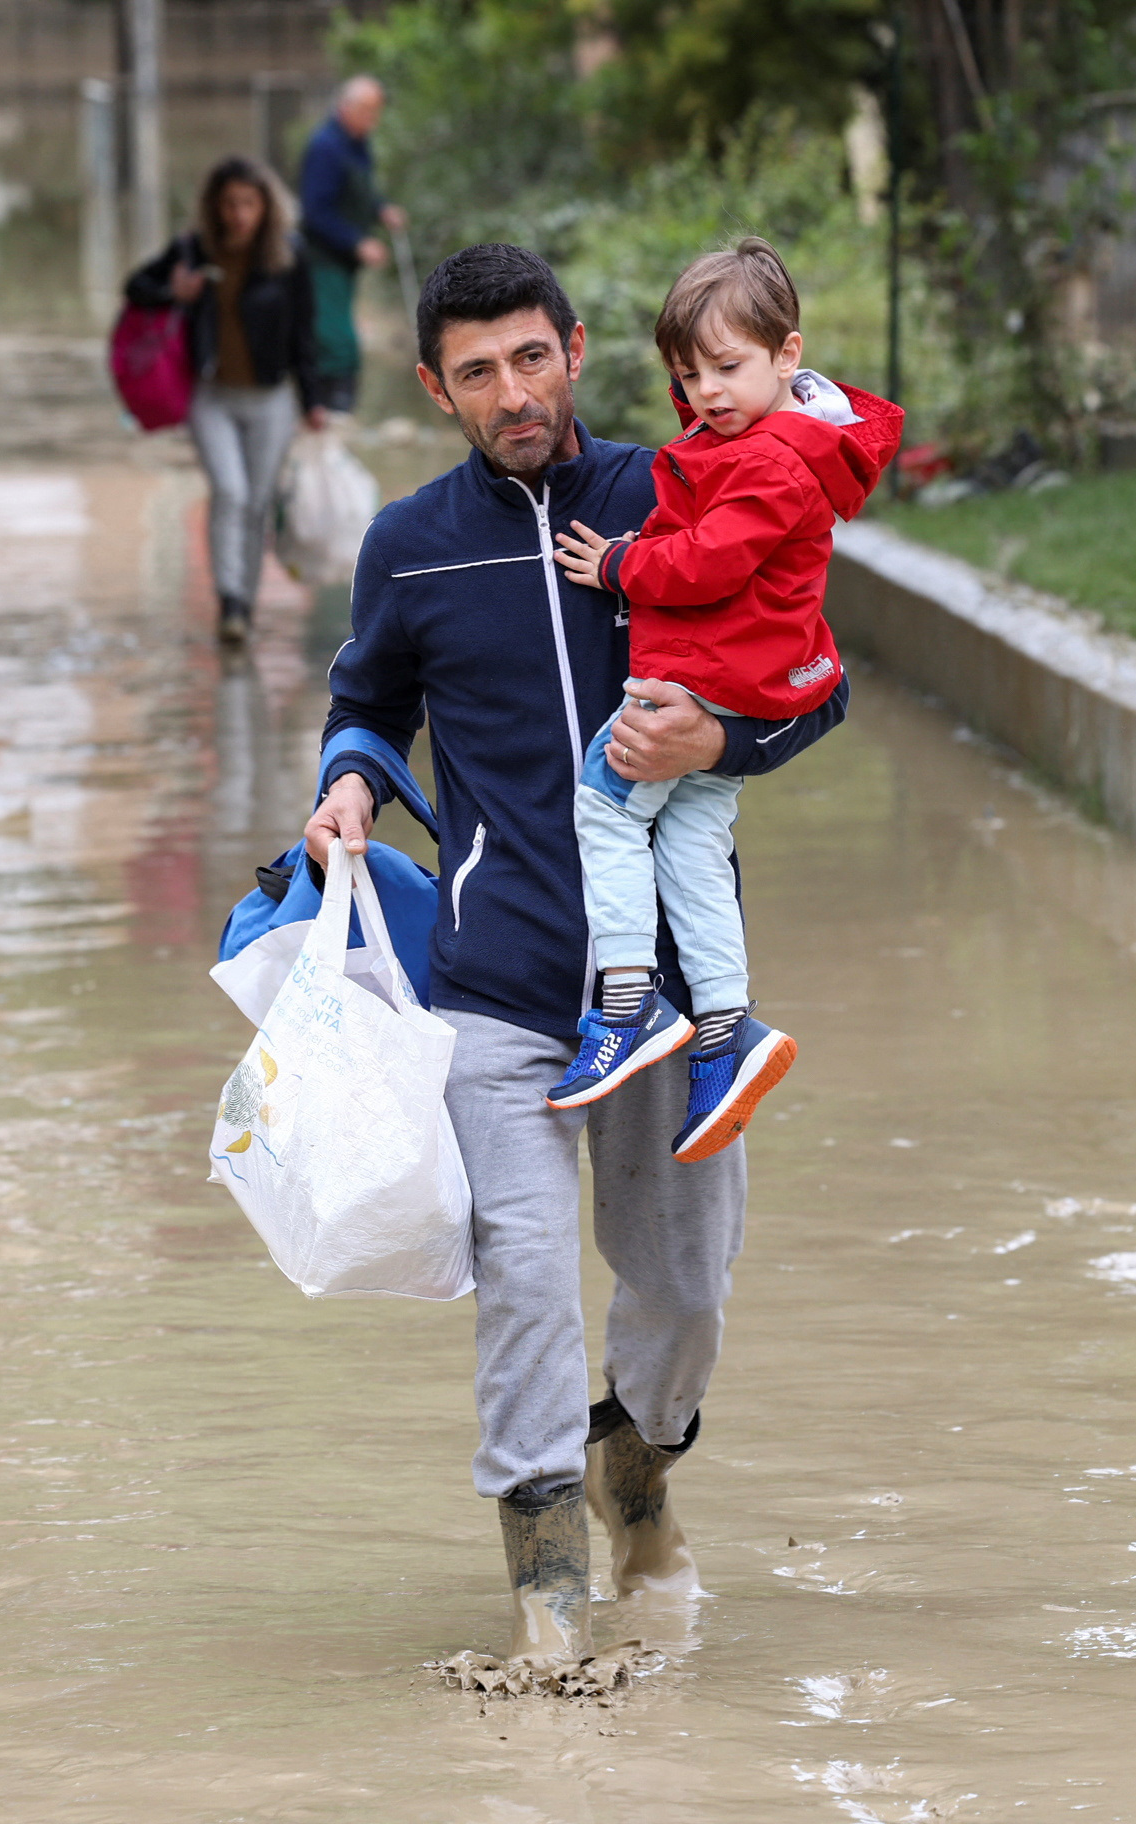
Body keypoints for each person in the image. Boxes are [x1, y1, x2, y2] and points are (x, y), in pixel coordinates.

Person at [303, 244, 846, 1663]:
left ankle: (638, 1469)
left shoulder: (672, 495)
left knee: (683, 1287)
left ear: (579, 348)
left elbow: (813, 679)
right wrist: (353, 782)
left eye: (531, 357)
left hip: (669, 999)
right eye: (476, 372)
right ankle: (547, 1605)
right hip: (496, 992)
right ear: (437, 388)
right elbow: (365, 702)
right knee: (527, 1272)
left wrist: (726, 738)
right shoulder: (410, 544)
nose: (512, 391)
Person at [541, 239, 903, 1153]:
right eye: (688, 373)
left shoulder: (774, 461)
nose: (707, 394)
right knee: (696, 843)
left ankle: (627, 1002)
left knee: (607, 806)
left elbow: (707, 563)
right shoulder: (771, 440)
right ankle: (723, 1027)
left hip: (700, 679)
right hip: (747, 685)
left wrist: (620, 564)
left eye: (728, 368)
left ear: (789, 356)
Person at [123, 157, 326, 645]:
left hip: (272, 398)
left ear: (266, 207)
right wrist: (173, 290)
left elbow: (305, 333)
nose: (238, 214)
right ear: (215, 206)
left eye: (248, 203)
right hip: (210, 395)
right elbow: (135, 287)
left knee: (257, 503)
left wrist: (314, 400)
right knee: (230, 493)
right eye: (230, 203)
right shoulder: (194, 249)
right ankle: (230, 600)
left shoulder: (288, 256)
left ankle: (245, 607)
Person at [296, 75, 406, 416]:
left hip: (343, 263)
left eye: (376, 112)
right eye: (368, 111)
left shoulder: (357, 144)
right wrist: (357, 242)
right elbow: (315, 211)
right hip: (322, 260)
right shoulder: (325, 147)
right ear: (347, 107)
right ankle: (327, 411)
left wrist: (381, 208)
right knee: (337, 341)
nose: (373, 119)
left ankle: (338, 414)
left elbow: (361, 190)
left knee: (338, 335)